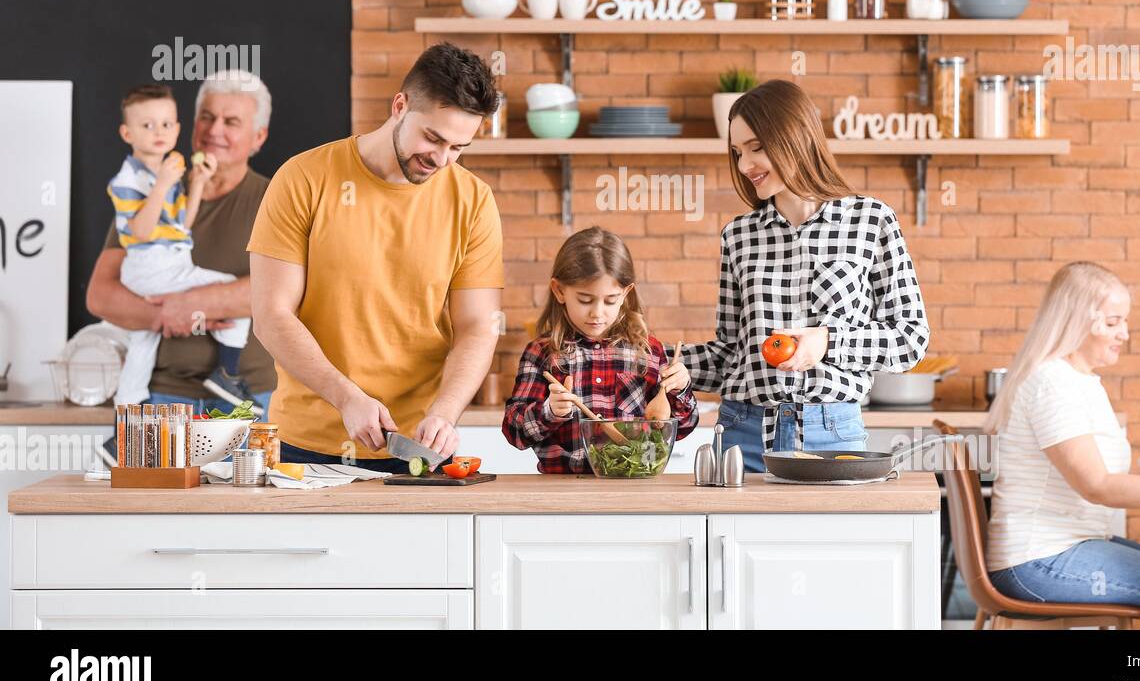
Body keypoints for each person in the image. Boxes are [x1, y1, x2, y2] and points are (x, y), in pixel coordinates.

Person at [248, 42, 503, 472]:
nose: (441, 160)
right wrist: (346, 397)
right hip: (305, 446)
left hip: (419, 446)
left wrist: (446, 411)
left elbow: (478, 326)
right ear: (400, 106)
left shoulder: (474, 202)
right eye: (433, 138)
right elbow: (272, 314)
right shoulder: (303, 179)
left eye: (459, 148)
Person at [681, 79, 929, 472]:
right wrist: (663, 360)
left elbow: (911, 338)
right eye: (737, 152)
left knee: (822, 537)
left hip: (832, 432)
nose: (745, 166)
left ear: (795, 138)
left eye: (757, 148)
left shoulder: (870, 221)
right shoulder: (739, 235)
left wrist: (828, 342)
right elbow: (732, 353)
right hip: (741, 433)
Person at [983, 261, 1140, 630]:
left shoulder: (1080, 382)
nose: (1125, 334)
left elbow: (1114, 475)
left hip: (1062, 549)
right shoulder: (1053, 385)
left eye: (1124, 321)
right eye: (1112, 322)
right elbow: (1098, 487)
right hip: (1037, 561)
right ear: (1076, 322)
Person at [105, 83, 254, 409]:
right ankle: (227, 374)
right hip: (154, 265)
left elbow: (181, 225)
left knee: (142, 345)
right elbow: (141, 232)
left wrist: (196, 183)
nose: (159, 132)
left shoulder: (164, 173)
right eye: (147, 125)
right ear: (127, 133)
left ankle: (125, 419)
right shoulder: (129, 180)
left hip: (166, 260)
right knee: (227, 287)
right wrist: (161, 186)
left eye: (167, 124)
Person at [503, 227, 697, 474]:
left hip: (634, 489)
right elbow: (514, 432)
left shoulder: (648, 351)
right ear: (559, 291)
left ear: (626, 294)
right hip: (561, 495)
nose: (597, 312)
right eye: (585, 300)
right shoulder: (541, 353)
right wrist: (549, 411)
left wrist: (681, 391)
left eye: (610, 300)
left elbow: (682, 428)